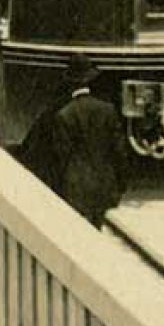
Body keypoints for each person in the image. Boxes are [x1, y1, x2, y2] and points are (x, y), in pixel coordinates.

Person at [48, 56, 127, 229]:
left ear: (70, 83)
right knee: (97, 228)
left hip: (75, 187)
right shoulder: (108, 110)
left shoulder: (64, 115)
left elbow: (60, 157)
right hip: (103, 183)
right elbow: (119, 150)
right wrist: (121, 182)